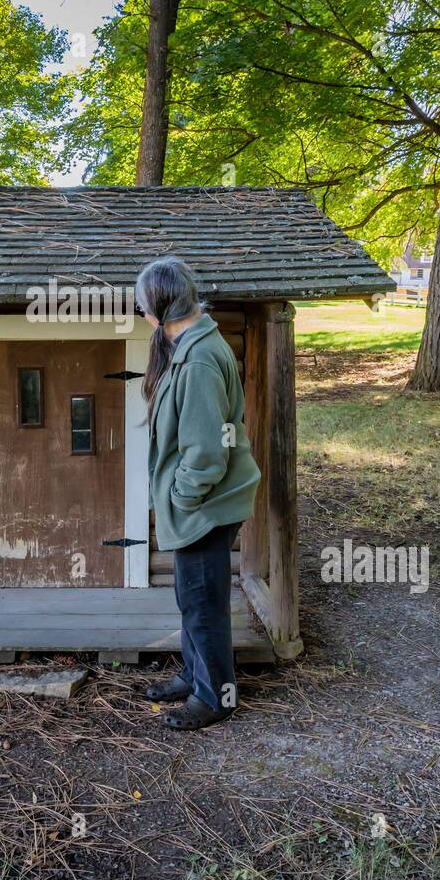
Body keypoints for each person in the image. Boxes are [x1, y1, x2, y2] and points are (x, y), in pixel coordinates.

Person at [136, 256, 261, 731]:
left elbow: (207, 452)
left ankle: (215, 698)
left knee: (203, 603)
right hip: (200, 503)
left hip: (206, 504)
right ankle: (194, 675)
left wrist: (183, 499)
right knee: (192, 598)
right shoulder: (189, 344)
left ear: (160, 308)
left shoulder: (201, 357)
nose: (139, 310)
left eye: (142, 303)